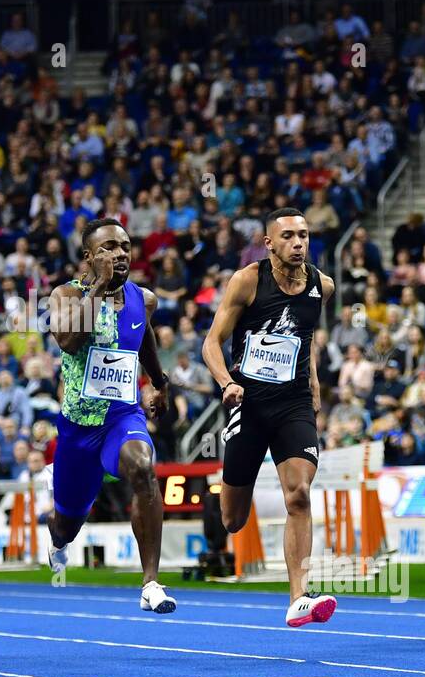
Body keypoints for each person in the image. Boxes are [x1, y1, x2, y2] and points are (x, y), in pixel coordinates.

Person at [203, 209, 337, 628]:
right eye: (289, 237)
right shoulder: (247, 280)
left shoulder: (322, 286)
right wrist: (227, 383)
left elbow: (306, 334)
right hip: (248, 402)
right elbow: (211, 343)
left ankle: (299, 596)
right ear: (269, 243)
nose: (299, 243)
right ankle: (216, 506)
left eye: (304, 236)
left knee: (298, 493)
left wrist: (313, 381)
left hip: (293, 403)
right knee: (233, 519)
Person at [47, 218, 175, 613]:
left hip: (122, 417)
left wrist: (159, 381)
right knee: (67, 522)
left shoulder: (144, 298)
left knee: (143, 467)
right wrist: (99, 288)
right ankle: (57, 543)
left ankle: (151, 583)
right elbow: (68, 342)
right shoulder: (65, 295)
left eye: (124, 246)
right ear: (88, 257)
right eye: (108, 248)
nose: (120, 254)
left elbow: (144, 338)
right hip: (77, 431)